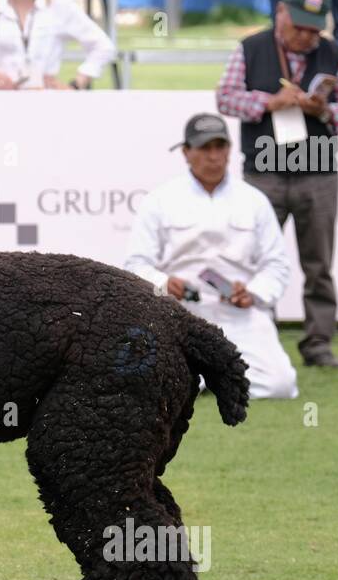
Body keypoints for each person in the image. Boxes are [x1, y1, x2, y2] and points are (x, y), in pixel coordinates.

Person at [216, 0, 338, 369]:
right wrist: (269, 102)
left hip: (318, 171)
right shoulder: (250, 48)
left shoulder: (334, 54)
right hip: (263, 172)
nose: (306, 35)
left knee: (319, 265)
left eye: (314, 28)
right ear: (281, 12)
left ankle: (318, 344)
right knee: (257, 261)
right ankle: (259, 339)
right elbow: (225, 97)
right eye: (299, 26)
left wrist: (324, 111)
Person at [125, 114, 298, 400]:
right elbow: (135, 264)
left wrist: (252, 293)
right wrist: (163, 283)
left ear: (230, 149)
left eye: (220, 147)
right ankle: (212, 379)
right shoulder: (159, 199)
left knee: (281, 385)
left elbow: (276, 264)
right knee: (144, 382)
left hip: (239, 313)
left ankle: (204, 381)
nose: (214, 156)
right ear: (186, 152)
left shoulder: (253, 200)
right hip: (178, 312)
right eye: (205, 148)